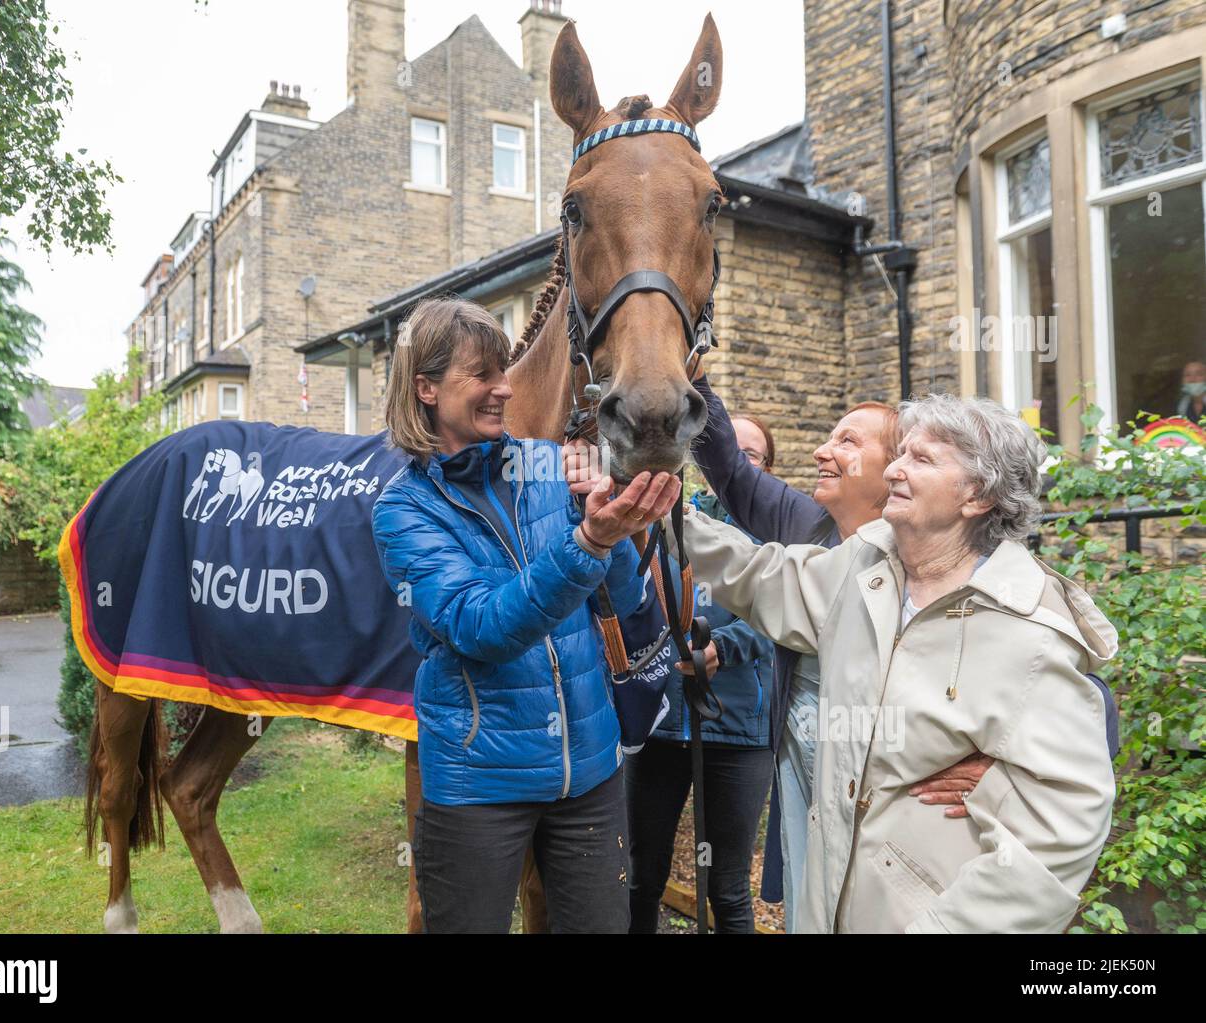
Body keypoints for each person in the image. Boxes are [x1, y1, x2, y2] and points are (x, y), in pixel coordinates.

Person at [666, 392, 1118, 932]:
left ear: (977, 495)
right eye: (900, 453)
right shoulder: (869, 566)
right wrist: (665, 518)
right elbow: (771, 580)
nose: (895, 470)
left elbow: (1057, 837)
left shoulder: (1029, 629)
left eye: (921, 459)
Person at [371, 297, 678, 934]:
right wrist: (587, 543)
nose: (503, 389)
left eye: (502, 371)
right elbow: (481, 626)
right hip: (480, 782)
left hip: (589, 772)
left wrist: (616, 523)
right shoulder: (404, 511)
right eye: (481, 374)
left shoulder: (550, 464)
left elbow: (619, 603)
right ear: (425, 388)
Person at [684, 377, 995, 931]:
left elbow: (1072, 691)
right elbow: (730, 473)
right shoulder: (810, 526)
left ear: (895, 467)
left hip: (901, 805)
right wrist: (689, 369)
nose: (823, 451)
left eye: (849, 441)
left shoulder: (944, 560)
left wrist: (1000, 766)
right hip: (813, 781)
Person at [621, 416, 780, 934]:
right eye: (729, 449)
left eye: (752, 454)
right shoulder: (669, 518)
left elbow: (785, 619)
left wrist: (723, 648)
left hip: (737, 728)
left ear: (766, 467)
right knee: (642, 876)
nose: (739, 460)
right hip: (663, 726)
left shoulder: (777, 531)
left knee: (727, 887)